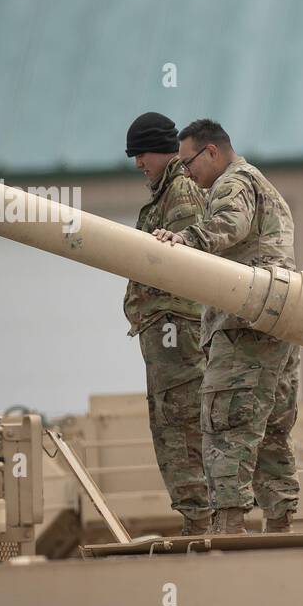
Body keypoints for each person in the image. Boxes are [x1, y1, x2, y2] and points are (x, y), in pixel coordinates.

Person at [152, 119, 300, 534]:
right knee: (270, 424)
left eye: (188, 163)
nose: (187, 174)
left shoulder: (232, 184)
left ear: (212, 152)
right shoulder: (261, 184)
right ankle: (279, 522)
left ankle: (230, 526)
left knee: (227, 420)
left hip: (242, 324)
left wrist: (186, 239)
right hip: (277, 321)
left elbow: (228, 224)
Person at [123, 112, 210, 535]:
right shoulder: (166, 193)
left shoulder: (180, 194)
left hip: (178, 328)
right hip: (166, 330)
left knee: (181, 426)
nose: (139, 162)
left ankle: (202, 522)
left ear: (166, 150)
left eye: (144, 153)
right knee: (171, 424)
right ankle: (198, 519)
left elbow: (186, 264)